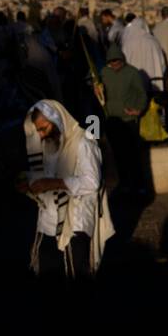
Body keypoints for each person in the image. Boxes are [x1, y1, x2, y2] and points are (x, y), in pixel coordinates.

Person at [18, 99, 115, 279]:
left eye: (43, 128)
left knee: (76, 278)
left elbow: (92, 182)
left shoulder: (84, 141)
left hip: (76, 221)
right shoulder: (49, 145)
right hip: (50, 220)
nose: (40, 135)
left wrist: (53, 183)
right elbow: (46, 175)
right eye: (37, 130)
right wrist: (29, 182)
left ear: (56, 120)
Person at [99, 43, 150, 195]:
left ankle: (139, 184)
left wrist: (138, 109)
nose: (114, 64)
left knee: (133, 154)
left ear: (122, 59)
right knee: (117, 154)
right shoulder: (103, 73)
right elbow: (96, 92)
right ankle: (124, 183)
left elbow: (142, 94)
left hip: (128, 121)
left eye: (117, 60)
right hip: (112, 121)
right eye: (111, 61)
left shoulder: (132, 73)